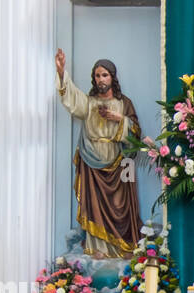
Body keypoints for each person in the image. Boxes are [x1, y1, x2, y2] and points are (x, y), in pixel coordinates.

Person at [55, 49, 143, 258]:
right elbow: (72, 99)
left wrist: (119, 118)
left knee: (119, 206)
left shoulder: (124, 103)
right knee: (94, 205)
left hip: (118, 161)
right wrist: (61, 73)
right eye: (97, 75)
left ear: (112, 77)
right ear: (94, 78)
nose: (101, 79)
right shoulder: (89, 102)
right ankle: (98, 247)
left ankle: (122, 245)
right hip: (91, 160)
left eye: (105, 75)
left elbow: (136, 132)